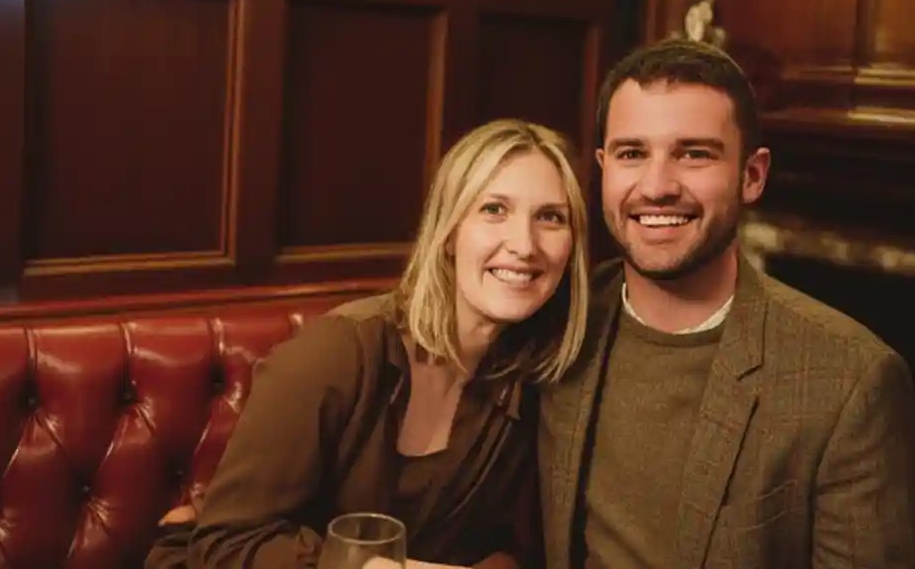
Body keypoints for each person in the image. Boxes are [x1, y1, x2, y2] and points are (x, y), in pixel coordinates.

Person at [537, 39, 915, 568]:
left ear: (752, 175)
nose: (656, 186)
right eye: (632, 154)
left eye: (694, 153)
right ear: (603, 169)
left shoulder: (850, 380)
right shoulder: (555, 321)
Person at [146, 119, 590, 569]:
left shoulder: (535, 371)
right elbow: (225, 544)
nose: (524, 245)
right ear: (450, 232)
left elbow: (510, 546)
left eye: (550, 217)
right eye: (494, 209)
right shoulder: (337, 353)